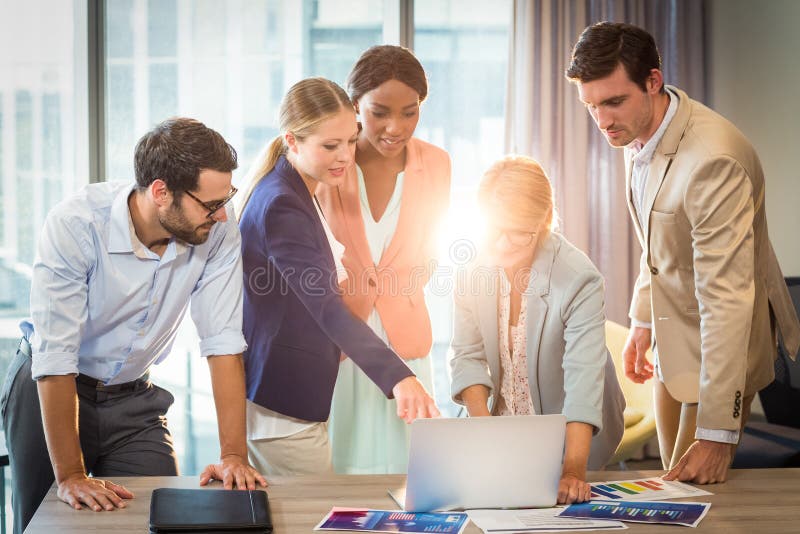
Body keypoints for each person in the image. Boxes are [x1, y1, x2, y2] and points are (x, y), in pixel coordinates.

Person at [0, 117, 266, 534]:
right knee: (49, 523)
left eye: (225, 199)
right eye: (210, 204)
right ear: (161, 192)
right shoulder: (77, 224)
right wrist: (70, 477)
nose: (220, 216)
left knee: (165, 519)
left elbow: (223, 341)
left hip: (133, 398)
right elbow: (56, 357)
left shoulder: (218, 226)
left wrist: (233, 454)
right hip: (48, 389)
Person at [565, 21, 800, 484]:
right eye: (591, 106)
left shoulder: (713, 161)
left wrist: (718, 433)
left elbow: (728, 300)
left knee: (694, 492)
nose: (603, 121)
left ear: (653, 81)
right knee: (671, 494)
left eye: (613, 101)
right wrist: (643, 321)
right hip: (669, 339)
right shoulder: (634, 131)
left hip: (717, 346)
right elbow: (658, 240)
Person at [238, 77, 440, 477]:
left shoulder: (296, 188)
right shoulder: (282, 203)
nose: (346, 156)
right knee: (312, 518)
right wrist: (399, 377)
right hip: (284, 407)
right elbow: (326, 307)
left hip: (293, 400)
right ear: (292, 140)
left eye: (350, 140)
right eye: (330, 146)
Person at [449, 155, 625, 504]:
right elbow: (467, 356)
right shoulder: (471, 270)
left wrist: (573, 470)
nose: (501, 245)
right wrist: (485, 439)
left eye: (518, 234)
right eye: (494, 230)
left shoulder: (578, 279)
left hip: (569, 431)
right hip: (499, 427)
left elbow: (583, 378)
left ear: (544, 221)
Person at [315, 45, 451, 474]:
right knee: (340, 466)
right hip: (339, 341)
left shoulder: (437, 164)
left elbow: (429, 251)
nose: (396, 127)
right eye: (379, 112)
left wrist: (399, 291)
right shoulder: (330, 159)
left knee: (409, 471)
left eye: (410, 112)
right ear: (354, 105)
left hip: (404, 340)